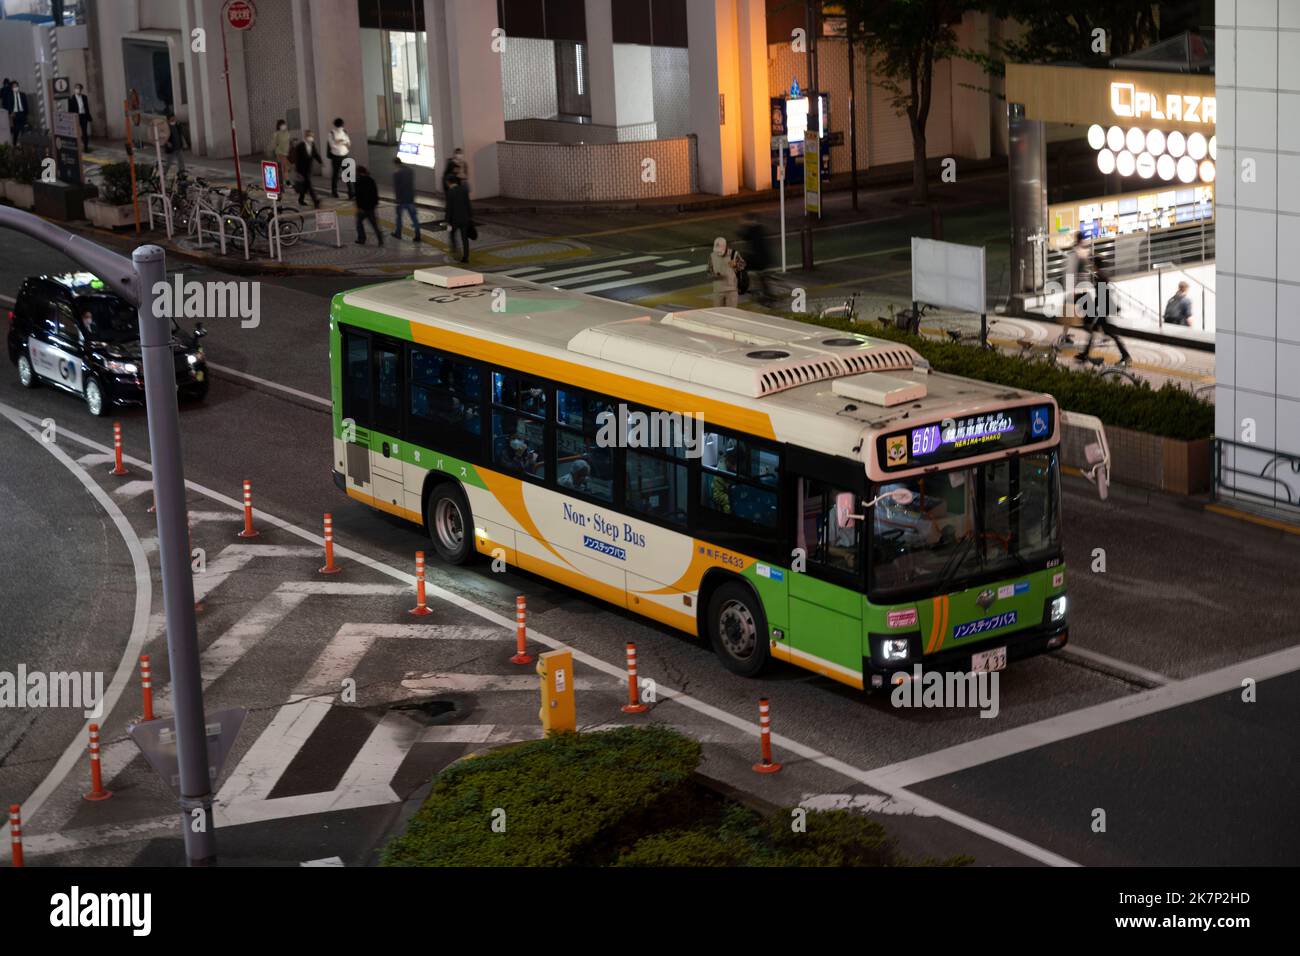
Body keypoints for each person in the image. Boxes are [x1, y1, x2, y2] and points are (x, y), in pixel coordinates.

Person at [1076, 262, 1133, 366]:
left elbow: (1101, 297)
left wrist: (1094, 309)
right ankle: (1085, 354)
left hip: (1103, 311)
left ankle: (1126, 356)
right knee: (1095, 333)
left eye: (1093, 265)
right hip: (1104, 310)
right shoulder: (1102, 275)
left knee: (1111, 334)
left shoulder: (1100, 277)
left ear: (1096, 266)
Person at [739, 213, 770, 302]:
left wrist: (743, 225)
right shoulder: (760, 228)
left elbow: (744, 236)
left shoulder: (752, 230)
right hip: (765, 259)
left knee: (741, 266)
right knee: (760, 275)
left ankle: (745, 287)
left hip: (757, 260)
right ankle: (765, 292)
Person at [444, 174, 473, 263]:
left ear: (448, 182)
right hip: (464, 218)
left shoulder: (450, 192)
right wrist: (470, 216)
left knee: (452, 235)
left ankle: (455, 252)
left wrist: (447, 220)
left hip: (454, 220)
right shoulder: (464, 190)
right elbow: (468, 204)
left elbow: (449, 208)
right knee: (464, 238)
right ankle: (466, 257)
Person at [391, 156, 420, 242]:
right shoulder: (410, 171)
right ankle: (418, 235)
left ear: (395, 164)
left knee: (399, 217)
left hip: (401, 200)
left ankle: (398, 233)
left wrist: (397, 199)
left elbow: (397, 188)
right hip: (410, 198)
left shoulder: (397, 173)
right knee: (414, 218)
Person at [354, 165, 383, 246]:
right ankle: (380, 240)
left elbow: (358, 196)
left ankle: (362, 239)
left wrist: (359, 207)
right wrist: (375, 204)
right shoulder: (371, 180)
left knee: (359, 223)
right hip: (371, 207)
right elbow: (375, 193)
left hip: (363, 208)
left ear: (358, 172)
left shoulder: (358, 181)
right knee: (374, 224)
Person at [292, 130, 323, 208]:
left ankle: (301, 199)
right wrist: (298, 171)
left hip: (309, 169)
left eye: (312, 136)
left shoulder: (312, 145)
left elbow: (315, 154)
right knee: (309, 185)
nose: (311, 138)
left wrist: (321, 162)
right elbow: (297, 159)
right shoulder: (300, 146)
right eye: (309, 136)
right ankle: (316, 201)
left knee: (305, 185)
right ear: (305, 136)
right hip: (302, 170)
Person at [708, 237, 742, 308]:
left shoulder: (734, 254)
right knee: (718, 313)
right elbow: (709, 270)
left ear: (726, 247)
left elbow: (743, 265)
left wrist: (736, 264)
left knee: (731, 313)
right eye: (717, 251)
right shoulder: (712, 255)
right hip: (718, 290)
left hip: (731, 289)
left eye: (720, 250)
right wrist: (713, 275)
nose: (718, 253)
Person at [327, 118, 353, 199]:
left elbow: (348, 142)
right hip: (336, 156)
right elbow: (332, 145)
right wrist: (343, 142)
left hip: (343, 155)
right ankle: (335, 192)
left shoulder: (344, 132)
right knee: (337, 175)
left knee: (344, 175)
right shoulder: (331, 133)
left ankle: (350, 193)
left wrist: (339, 142)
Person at [67, 83, 92, 151]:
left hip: (83, 116)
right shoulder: (71, 98)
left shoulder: (84, 97)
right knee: (76, 133)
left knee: (84, 132)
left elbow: (87, 107)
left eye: (79, 88)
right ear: (74, 89)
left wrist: (89, 116)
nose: (78, 90)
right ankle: (76, 147)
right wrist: (70, 119)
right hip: (76, 117)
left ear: (81, 89)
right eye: (77, 88)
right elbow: (70, 110)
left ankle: (86, 147)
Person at [268, 119, 292, 191]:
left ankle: (282, 182)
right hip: (280, 153)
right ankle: (287, 182)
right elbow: (274, 143)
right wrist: (270, 149)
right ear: (279, 126)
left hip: (286, 153)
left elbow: (288, 141)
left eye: (284, 124)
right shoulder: (277, 134)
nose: (284, 126)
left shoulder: (287, 133)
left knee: (286, 167)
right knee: (285, 167)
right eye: (282, 125)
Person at [162, 112, 186, 181]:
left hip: (178, 147)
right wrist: (167, 142)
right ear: (168, 119)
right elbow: (163, 137)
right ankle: (164, 174)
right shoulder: (166, 127)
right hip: (171, 149)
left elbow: (180, 135)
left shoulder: (177, 125)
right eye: (172, 118)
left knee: (181, 161)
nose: (174, 119)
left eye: (174, 117)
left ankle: (182, 174)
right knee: (169, 163)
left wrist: (183, 143)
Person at [9, 80, 28, 145]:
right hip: (15, 116)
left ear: (18, 87)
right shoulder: (10, 96)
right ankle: (14, 145)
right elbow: (8, 105)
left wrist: (26, 114)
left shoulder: (23, 95)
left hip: (23, 115)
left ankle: (23, 146)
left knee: (24, 132)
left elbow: (26, 105)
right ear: (11, 88)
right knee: (16, 132)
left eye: (16, 86)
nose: (15, 88)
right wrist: (11, 113)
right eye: (14, 87)